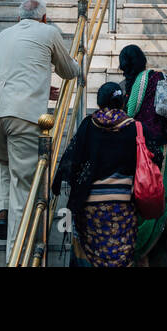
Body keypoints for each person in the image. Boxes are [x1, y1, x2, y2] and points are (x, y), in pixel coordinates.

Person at [0, 0, 81, 253]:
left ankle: (2, 208)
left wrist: (42, 88)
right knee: (24, 188)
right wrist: (81, 59)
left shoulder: (3, 36)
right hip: (21, 116)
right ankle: (18, 254)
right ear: (44, 18)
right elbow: (68, 70)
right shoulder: (49, 32)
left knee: (2, 161)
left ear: (18, 18)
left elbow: (15, 72)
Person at [52, 82, 139, 267]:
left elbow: (72, 160)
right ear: (122, 101)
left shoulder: (88, 124)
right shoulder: (133, 127)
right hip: (123, 203)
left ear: (99, 102)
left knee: (96, 257)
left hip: (91, 205)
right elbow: (153, 154)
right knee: (121, 257)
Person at [119, 45, 167, 262]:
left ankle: (144, 245)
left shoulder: (140, 81)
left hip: (152, 150)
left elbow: (129, 114)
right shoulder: (164, 79)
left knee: (150, 194)